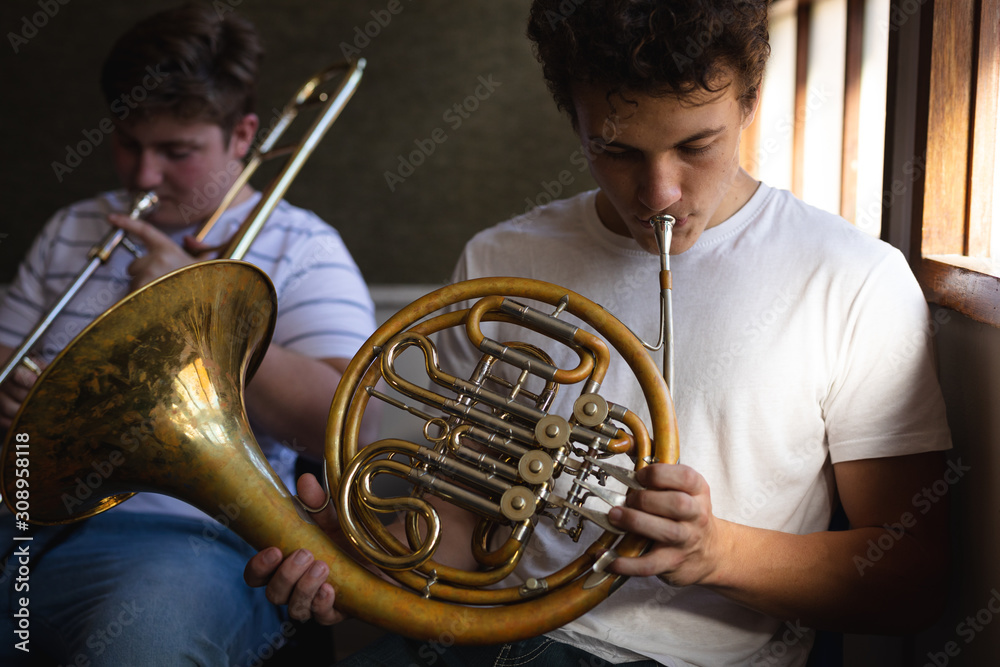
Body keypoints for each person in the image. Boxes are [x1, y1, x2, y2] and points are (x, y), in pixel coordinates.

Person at [245, 1, 952, 665]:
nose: (660, 193)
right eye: (616, 150)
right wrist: (360, 562)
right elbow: (467, 526)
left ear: (749, 102)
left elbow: (915, 577)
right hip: (496, 639)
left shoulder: (852, 276)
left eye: (697, 145)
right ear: (573, 120)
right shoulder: (501, 261)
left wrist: (716, 550)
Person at [0, 3, 375, 665]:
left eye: (176, 152)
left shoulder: (306, 247)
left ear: (243, 136)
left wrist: (196, 308)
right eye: (128, 143)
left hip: (187, 537)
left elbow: (339, 422)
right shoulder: (71, 226)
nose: (143, 177)